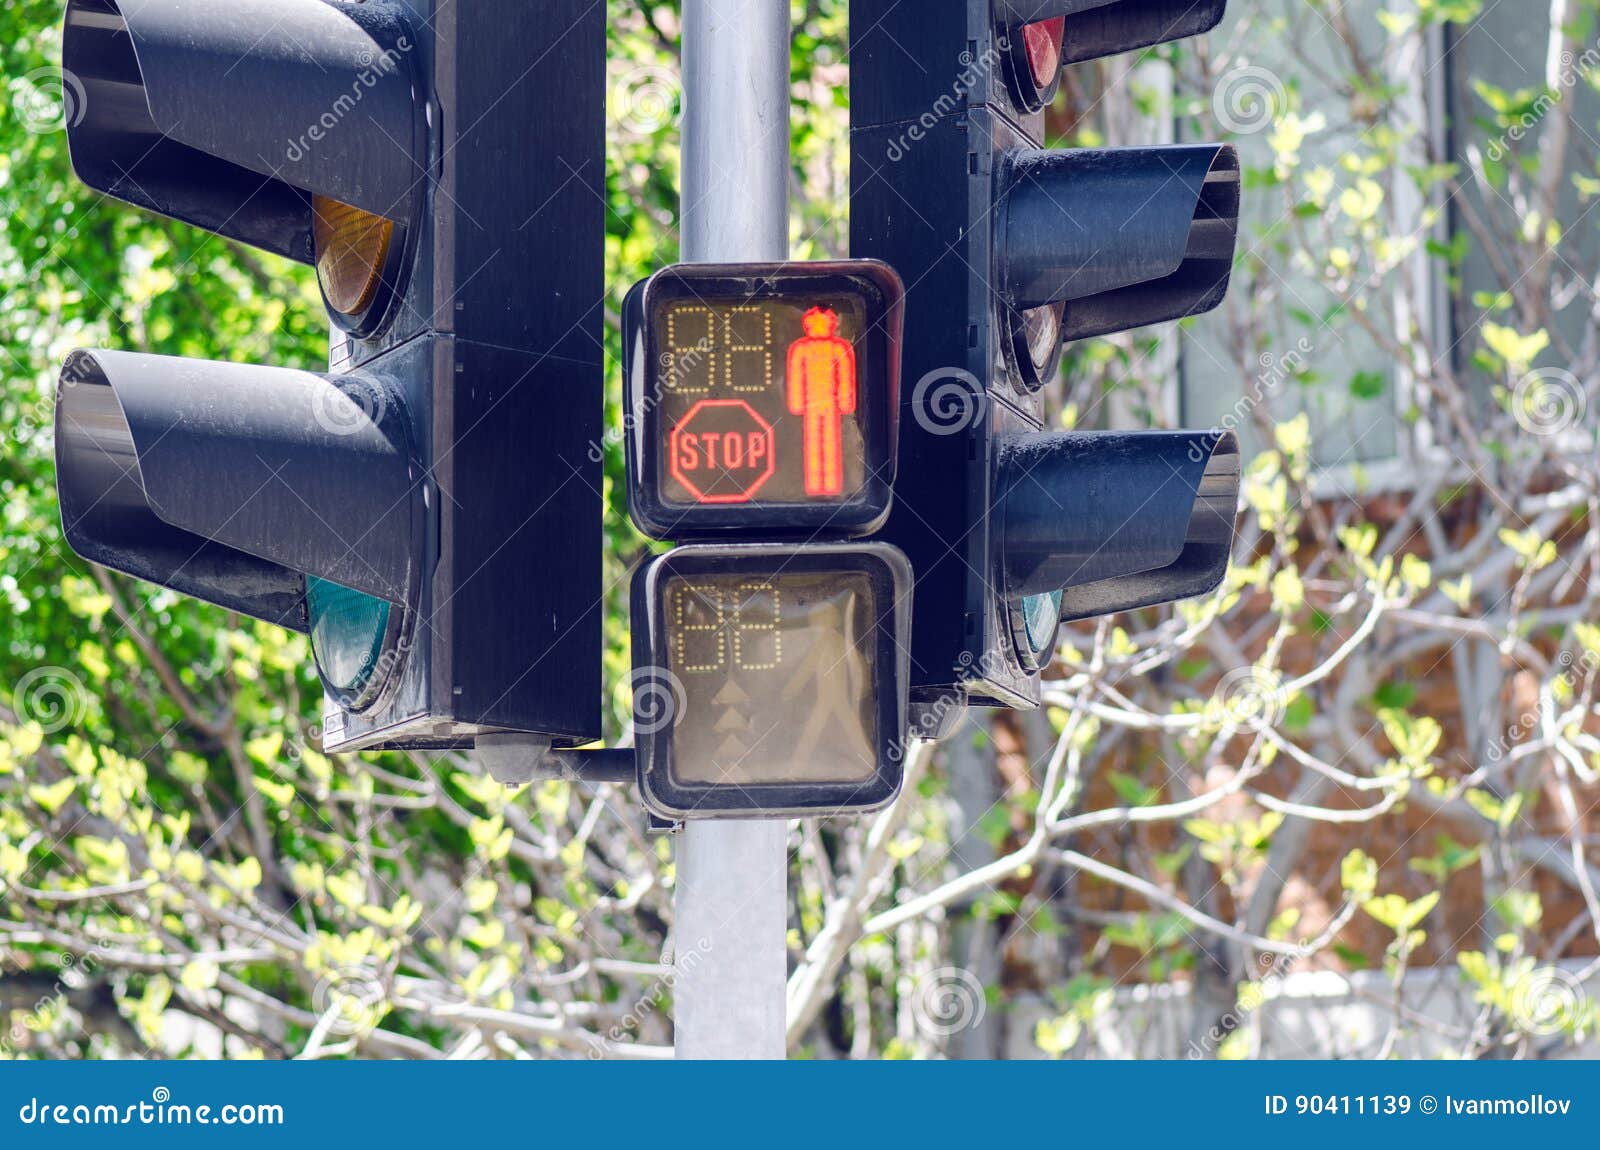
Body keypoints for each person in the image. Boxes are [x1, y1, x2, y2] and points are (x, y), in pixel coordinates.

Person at [785, 307, 857, 498]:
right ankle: (817, 485)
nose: (818, 329)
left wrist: (844, 402)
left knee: (830, 442)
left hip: (830, 404)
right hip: (811, 403)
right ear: (807, 326)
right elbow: (796, 376)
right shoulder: (801, 349)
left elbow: (844, 376)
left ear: (831, 326)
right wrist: (797, 402)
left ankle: (830, 484)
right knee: (814, 444)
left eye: (823, 324)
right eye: (814, 325)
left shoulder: (838, 348)